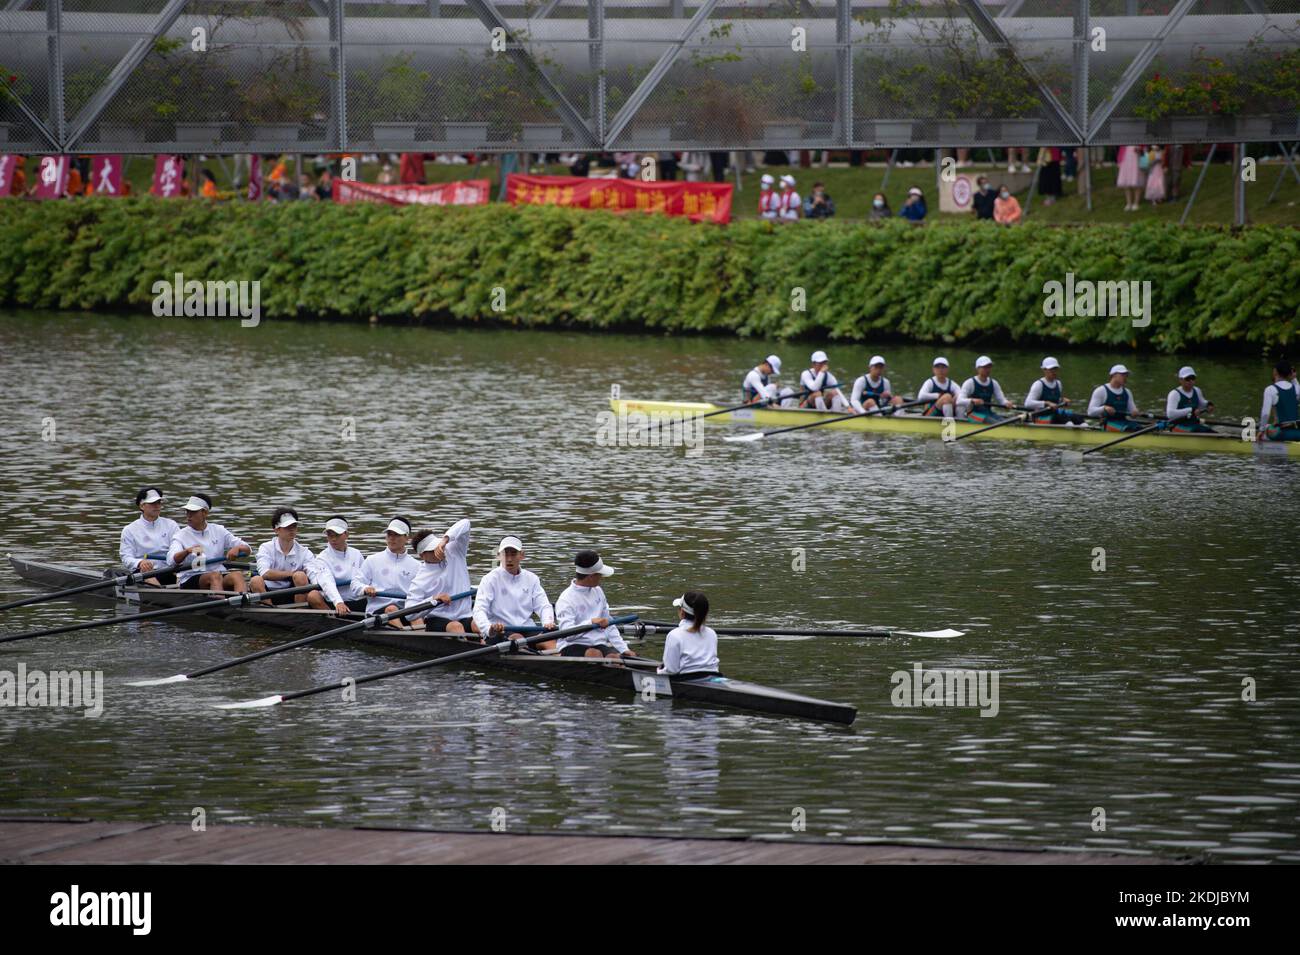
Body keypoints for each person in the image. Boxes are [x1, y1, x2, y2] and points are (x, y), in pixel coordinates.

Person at [249, 507, 348, 614]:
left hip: (293, 593)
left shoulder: (305, 552)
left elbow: (314, 575)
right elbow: (265, 573)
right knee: (256, 580)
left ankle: (299, 613)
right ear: (276, 530)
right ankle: (269, 613)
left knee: (301, 576)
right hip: (268, 591)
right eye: (287, 527)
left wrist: (326, 590)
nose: (292, 529)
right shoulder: (266, 548)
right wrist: (292, 574)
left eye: (294, 526)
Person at [472, 536, 556, 649]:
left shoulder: (532, 579)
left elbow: (543, 606)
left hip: (528, 628)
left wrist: (548, 621)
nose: (509, 559)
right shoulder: (489, 579)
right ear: (499, 556)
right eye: (506, 554)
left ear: (522, 555)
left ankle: (563, 661)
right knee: (518, 638)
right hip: (500, 630)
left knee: (551, 641)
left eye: (513, 554)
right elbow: (479, 610)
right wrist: (488, 628)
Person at [554, 551, 634, 661]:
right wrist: (591, 622)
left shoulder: (598, 591)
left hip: (598, 644)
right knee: (594, 654)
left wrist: (624, 649)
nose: (601, 577)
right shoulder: (566, 599)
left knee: (615, 658)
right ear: (591, 576)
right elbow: (568, 635)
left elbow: (609, 624)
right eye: (599, 574)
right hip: (572, 645)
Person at [167, 494, 251, 593]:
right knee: (214, 576)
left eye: (193, 512)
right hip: (191, 577)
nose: (189, 515)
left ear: (205, 513)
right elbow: (171, 560)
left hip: (218, 573)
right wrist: (187, 551)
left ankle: (243, 604)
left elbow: (248, 549)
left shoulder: (219, 530)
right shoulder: (180, 536)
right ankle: (220, 605)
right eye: (187, 511)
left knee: (237, 575)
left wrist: (237, 549)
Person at [405, 520, 474, 634]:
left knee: (480, 624)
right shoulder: (420, 579)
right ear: (422, 555)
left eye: (438, 546)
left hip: (465, 616)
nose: (440, 551)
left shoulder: (455, 551)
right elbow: (409, 614)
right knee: (456, 627)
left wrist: (445, 540)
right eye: (433, 550)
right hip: (437, 620)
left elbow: (466, 523)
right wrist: (433, 599)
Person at [353, 517, 421, 621]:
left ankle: (418, 634)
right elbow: (355, 583)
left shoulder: (416, 565)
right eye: (389, 534)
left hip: (405, 609)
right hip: (377, 612)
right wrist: (365, 588)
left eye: (396, 535)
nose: (392, 538)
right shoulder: (372, 560)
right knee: (392, 609)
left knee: (416, 613)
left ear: (407, 538)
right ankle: (408, 635)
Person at [119, 487, 181, 586]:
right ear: (142, 506)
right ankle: (165, 596)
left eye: (159, 503)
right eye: (152, 503)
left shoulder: (171, 525)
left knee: (183, 572)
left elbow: (177, 549)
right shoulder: (129, 530)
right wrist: (139, 562)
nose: (157, 506)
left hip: (169, 570)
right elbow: (126, 557)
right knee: (147, 573)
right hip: (144, 573)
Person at [657, 592, 720, 678]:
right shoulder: (712, 633)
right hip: (714, 676)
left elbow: (671, 670)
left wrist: (659, 671)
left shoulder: (674, 635)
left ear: (682, 612)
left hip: (686, 680)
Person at [316, 516, 366, 612]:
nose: (333, 539)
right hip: (335, 603)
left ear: (346, 534)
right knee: (313, 595)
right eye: (330, 535)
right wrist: (338, 602)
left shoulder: (356, 554)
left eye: (337, 535)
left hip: (358, 599)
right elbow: (327, 582)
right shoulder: (322, 558)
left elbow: (365, 578)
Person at [1025, 357, 1086, 425]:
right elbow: (1028, 403)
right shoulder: (1038, 384)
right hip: (1041, 417)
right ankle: (1069, 429)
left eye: (1055, 369)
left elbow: (1055, 400)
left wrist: (1062, 400)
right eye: (1051, 369)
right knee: (1063, 418)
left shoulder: (1058, 383)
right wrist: (1046, 403)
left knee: (1077, 417)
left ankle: (1085, 429)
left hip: (1055, 415)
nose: (1054, 372)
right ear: (1044, 370)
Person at [1087, 364, 1144, 432]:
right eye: (1123, 375)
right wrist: (1104, 408)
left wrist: (1135, 413)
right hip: (1107, 423)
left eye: (1126, 375)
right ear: (1114, 375)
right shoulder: (1101, 390)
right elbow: (1090, 412)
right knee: (1129, 429)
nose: (1125, 377)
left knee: (1141, 429)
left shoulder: (1127, 392)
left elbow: (1133, 412)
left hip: (1123, 422)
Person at [960, 356, 1016, 422]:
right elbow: (959, 401)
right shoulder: (970, 383)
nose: (988, 369)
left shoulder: (994, 383)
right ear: (977, 368)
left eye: (989, 367)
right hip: (971, 414)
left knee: (1006, 421)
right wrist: (972, 400)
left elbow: (1002, 400)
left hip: (988, 413)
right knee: (993, 422)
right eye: (985, 367)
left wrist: (1007, 403)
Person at [1258, 360, 1300, 442]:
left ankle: (1263, 441)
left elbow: (1265, 414)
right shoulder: (1296, 389)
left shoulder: (1270, 389)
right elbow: (1297, 386)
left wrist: (1261, 430)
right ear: (1290, 373)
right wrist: (1294, 378)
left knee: (1266, 427)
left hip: (1281, 433)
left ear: (1275, 371)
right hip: (1298, 433)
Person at [1164, 366, 1215, 433]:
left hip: (1193, 424)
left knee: (1209, 431)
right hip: (1177, 426)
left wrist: (1208, 405)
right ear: (1180, 380)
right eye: (1187, 379)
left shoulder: (1197, 390)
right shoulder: (1174, 394)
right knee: (1201, 430)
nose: (1191, 381)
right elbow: (1170, 414)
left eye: (1193, 378)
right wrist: (1191, 410)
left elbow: (1202, 404)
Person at [1116, 144, 1144, 212]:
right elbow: (1120, 149)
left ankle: (1136, 203)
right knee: (1126, 183)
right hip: (1125, 159)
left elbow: (1144, 149)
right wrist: (1119, 161)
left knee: (1137, 181)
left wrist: (1140, 149)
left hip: (1136, 159)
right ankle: (1129, 203)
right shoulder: (1124, 139)